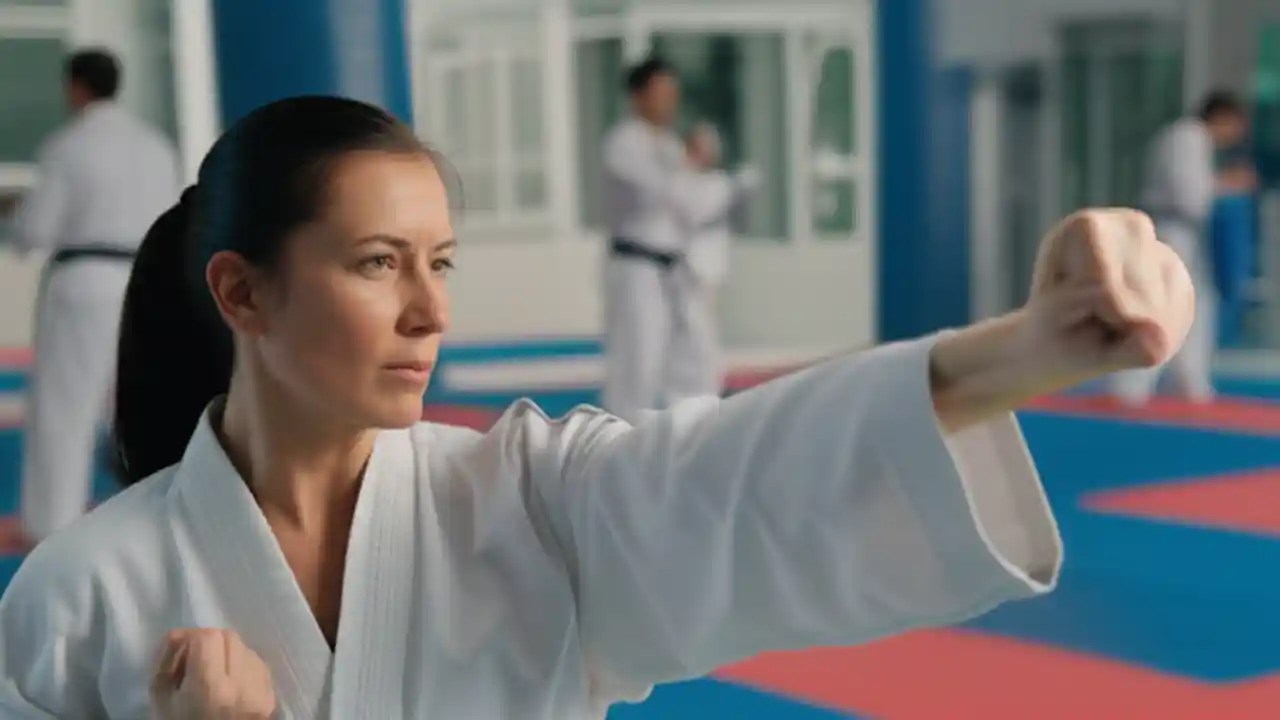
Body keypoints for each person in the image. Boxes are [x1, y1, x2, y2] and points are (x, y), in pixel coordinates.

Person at [0, 96, 1194, 719]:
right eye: (377, 263)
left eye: (443, 262)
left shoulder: (525, 501)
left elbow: (737, 479)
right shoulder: (84, 592)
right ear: (241, 292)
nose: (431, 312)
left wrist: (1025, 350)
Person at [4, 48, 182, 543]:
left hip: (84, 283)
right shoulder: (156, 146)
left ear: (76, 87)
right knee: (140, 403)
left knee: (66, 405)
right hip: (142, 278)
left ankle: (50, 526)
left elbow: (37, 228)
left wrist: (14, 219)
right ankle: (158, 516)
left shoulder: (70, 144)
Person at [1109, 90, 1255, 406]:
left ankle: (1190, 382)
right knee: (1164, 306)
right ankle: (1132, 384)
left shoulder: (1185, 137)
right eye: (1236, 126)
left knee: (1195, 306)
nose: (1235, 136)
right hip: (1172, 230)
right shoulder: (1188, 138)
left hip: (1180, 233)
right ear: (1223, 118)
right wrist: (1229, 184)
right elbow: (1192, 198)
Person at [664, 122, 760, 400]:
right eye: (705, 146)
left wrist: (737, 194)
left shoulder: (714, 181)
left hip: (709, 270)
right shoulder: (680, 180)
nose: (711, 153)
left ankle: (708, 389)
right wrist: (733, 190)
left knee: (705, 335)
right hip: (686, 269)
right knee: (691, 337)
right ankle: (690, 394)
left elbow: (737, 220)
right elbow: (696, 212)